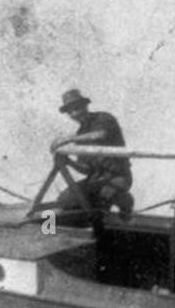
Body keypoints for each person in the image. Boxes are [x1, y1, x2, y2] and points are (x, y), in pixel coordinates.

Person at [51, 88, 134, 220]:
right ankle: (50, 231)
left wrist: (68, 139)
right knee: (64, 200)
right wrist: (68, 162)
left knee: (103, 199)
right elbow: (86, 169)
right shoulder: (80, 134)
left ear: (85, 106)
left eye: (77, 108)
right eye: (71, 111)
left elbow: (100, 135)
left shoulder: (104, 118)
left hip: (118, 177)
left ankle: (125, 201)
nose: (75, 113)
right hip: (95, 179)